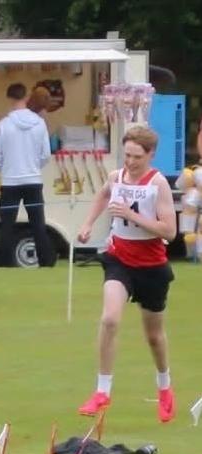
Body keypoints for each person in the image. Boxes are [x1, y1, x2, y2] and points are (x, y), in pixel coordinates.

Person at [75, 127, 177, 422]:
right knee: (109, 320)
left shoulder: (158, 184)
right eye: (127, 155)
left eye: (136, 157)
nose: (130, 162)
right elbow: (103, 196)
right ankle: (102, 392)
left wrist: (132, 216)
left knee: (154, 336)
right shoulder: (115, 177)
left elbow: (169, 231)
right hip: (119, 260)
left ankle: (165, 387)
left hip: (152, 267)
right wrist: (88, 224)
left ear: (150, 155)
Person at [0, 83, 53, 267]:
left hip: (10, 181)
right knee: (38, 224)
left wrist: (6, 168)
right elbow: (46, 155)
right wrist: (34, 165)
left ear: (10, 99)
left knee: (7, 225)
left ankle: (5, 263)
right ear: (26, 97)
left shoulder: (4, 124)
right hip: (33, 179)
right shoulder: (39, 123)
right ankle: (46, 260)